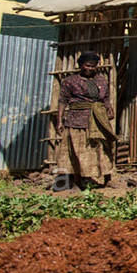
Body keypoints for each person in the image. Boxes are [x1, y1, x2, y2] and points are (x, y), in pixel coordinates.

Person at [54, 51, 115, 190]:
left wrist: (108, 108)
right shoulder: (69, 81)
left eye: (93, 66)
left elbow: (105, 98)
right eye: (88, 65)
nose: (91, 69)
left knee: (102, 148)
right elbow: (62, 101)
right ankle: (77, 181)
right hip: (77, 120)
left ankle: (107, 178)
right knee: (77, 150)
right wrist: (59, 121)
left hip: (98, 120)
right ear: (81, 65)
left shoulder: (101, 80)